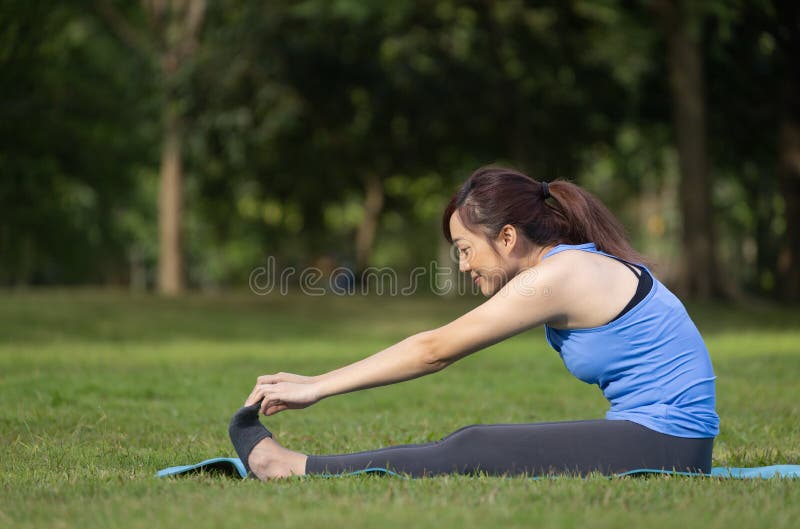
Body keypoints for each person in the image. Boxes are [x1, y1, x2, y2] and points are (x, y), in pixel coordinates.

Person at [229, 166, 719, 480]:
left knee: (475, 445)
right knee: (478, 443)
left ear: (507, 237)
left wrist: (315, 386)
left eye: (465, 249)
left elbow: (434, 350)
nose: (463, 265)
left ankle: (290, 467)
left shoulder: (561, 275)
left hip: (669, 443)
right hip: (662, 435)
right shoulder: (574, 264)